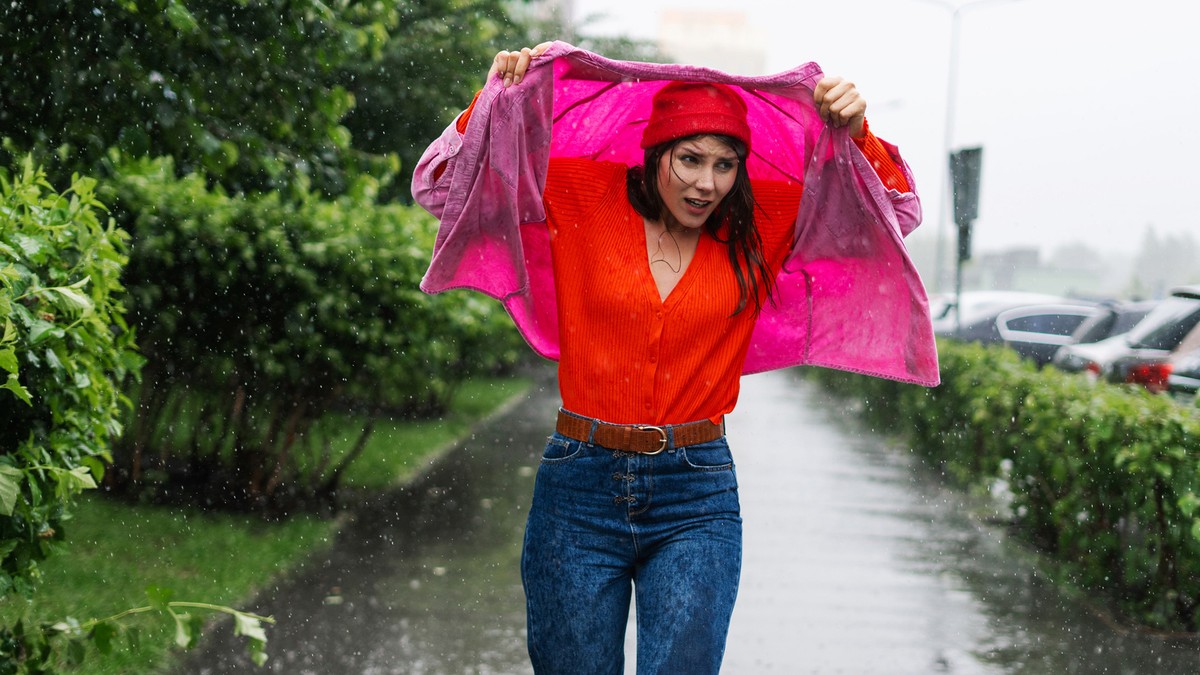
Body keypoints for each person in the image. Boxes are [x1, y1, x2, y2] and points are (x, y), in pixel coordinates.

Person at [413, 41, 937, 675]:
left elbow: (892, 213)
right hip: (578, 487)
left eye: (725, 164)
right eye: (689, 159)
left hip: (696, 495)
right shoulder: (577, 192)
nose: (706, 183)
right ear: (655, 151)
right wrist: (495, 99)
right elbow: (443, 188)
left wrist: (857, 135)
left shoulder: (763, 220)